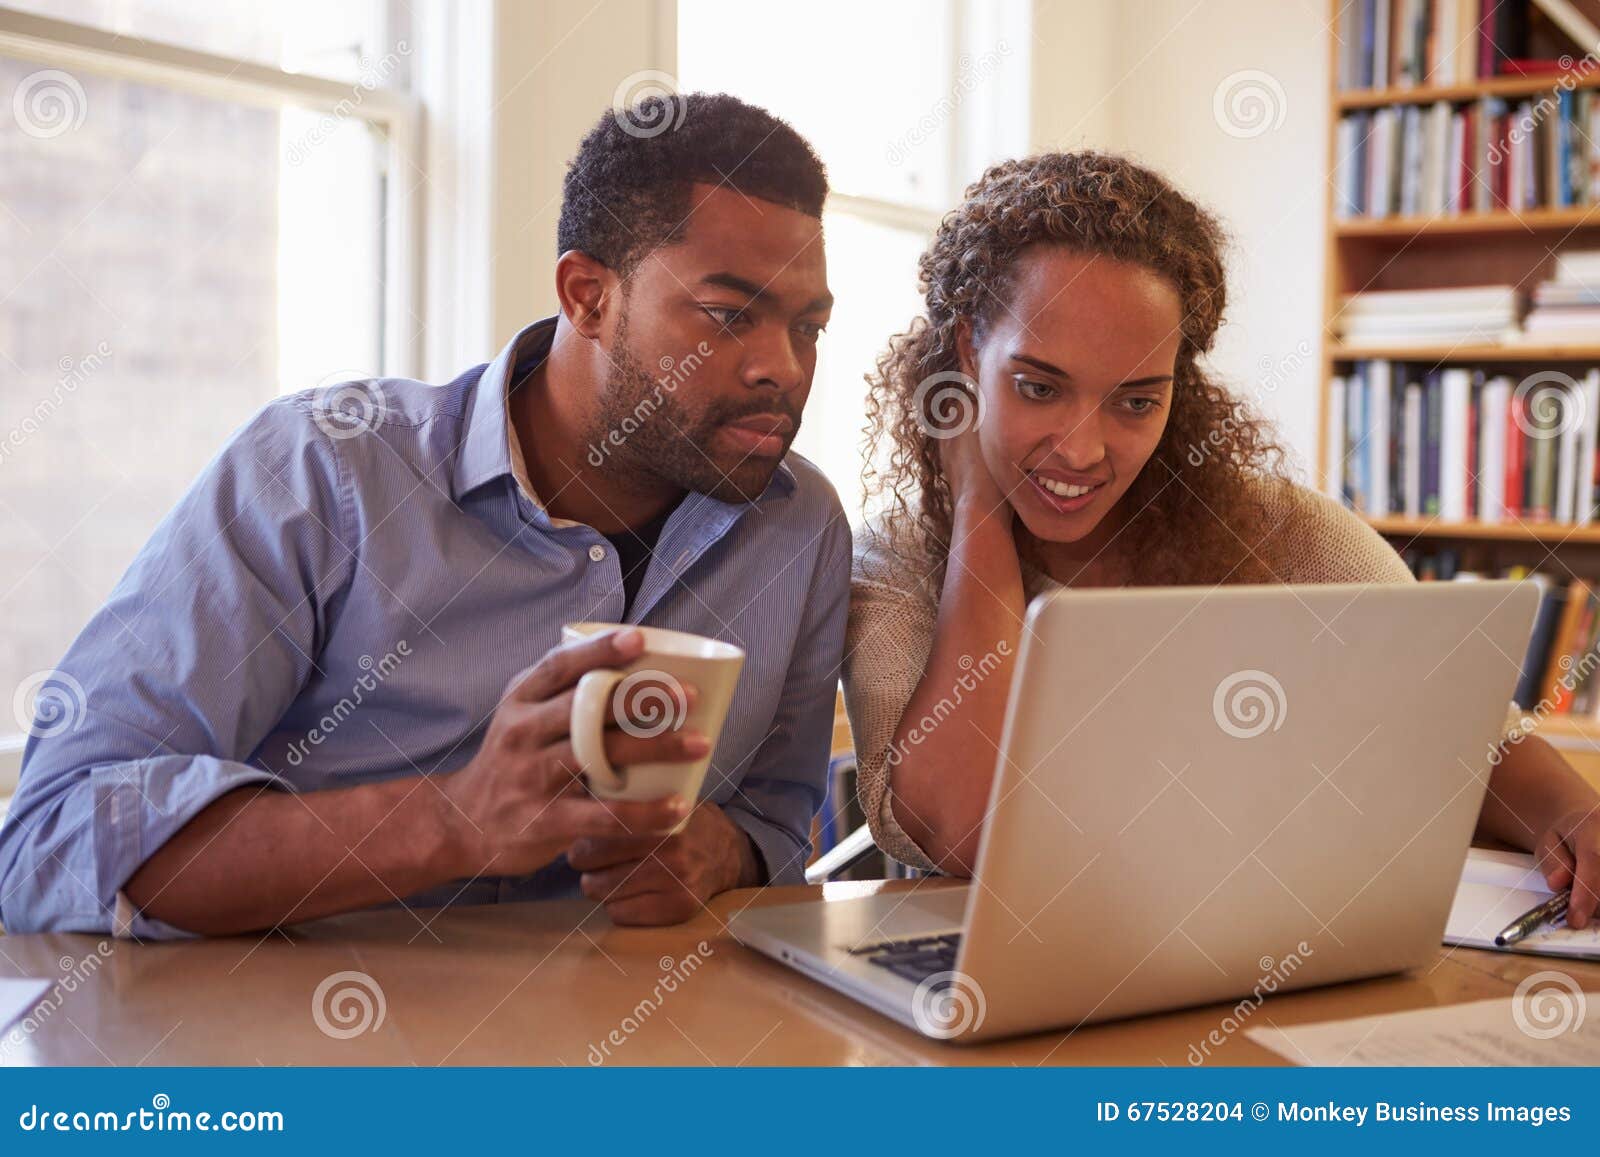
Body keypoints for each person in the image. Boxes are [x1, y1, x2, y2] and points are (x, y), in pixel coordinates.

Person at [0, 93, 848, 938]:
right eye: (730, 315)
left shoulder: (800, 527)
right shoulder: (320, 472)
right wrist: (453, 819)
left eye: (809, 328)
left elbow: (774, 821)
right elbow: (50, 840)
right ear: (587, 296)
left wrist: (725, 853)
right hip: (296, 1021)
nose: (783, 367)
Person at [843, 150, 1600, 927]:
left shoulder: (1276, 533)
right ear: (969, 352)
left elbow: (1457, 722)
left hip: (1250, 949)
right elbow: (964, 829)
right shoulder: (893, 564)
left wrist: (1571, 813)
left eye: (1136, 402)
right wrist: (977, 513)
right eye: (1039, 387)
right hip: (993, 971)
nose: (1081, 449)